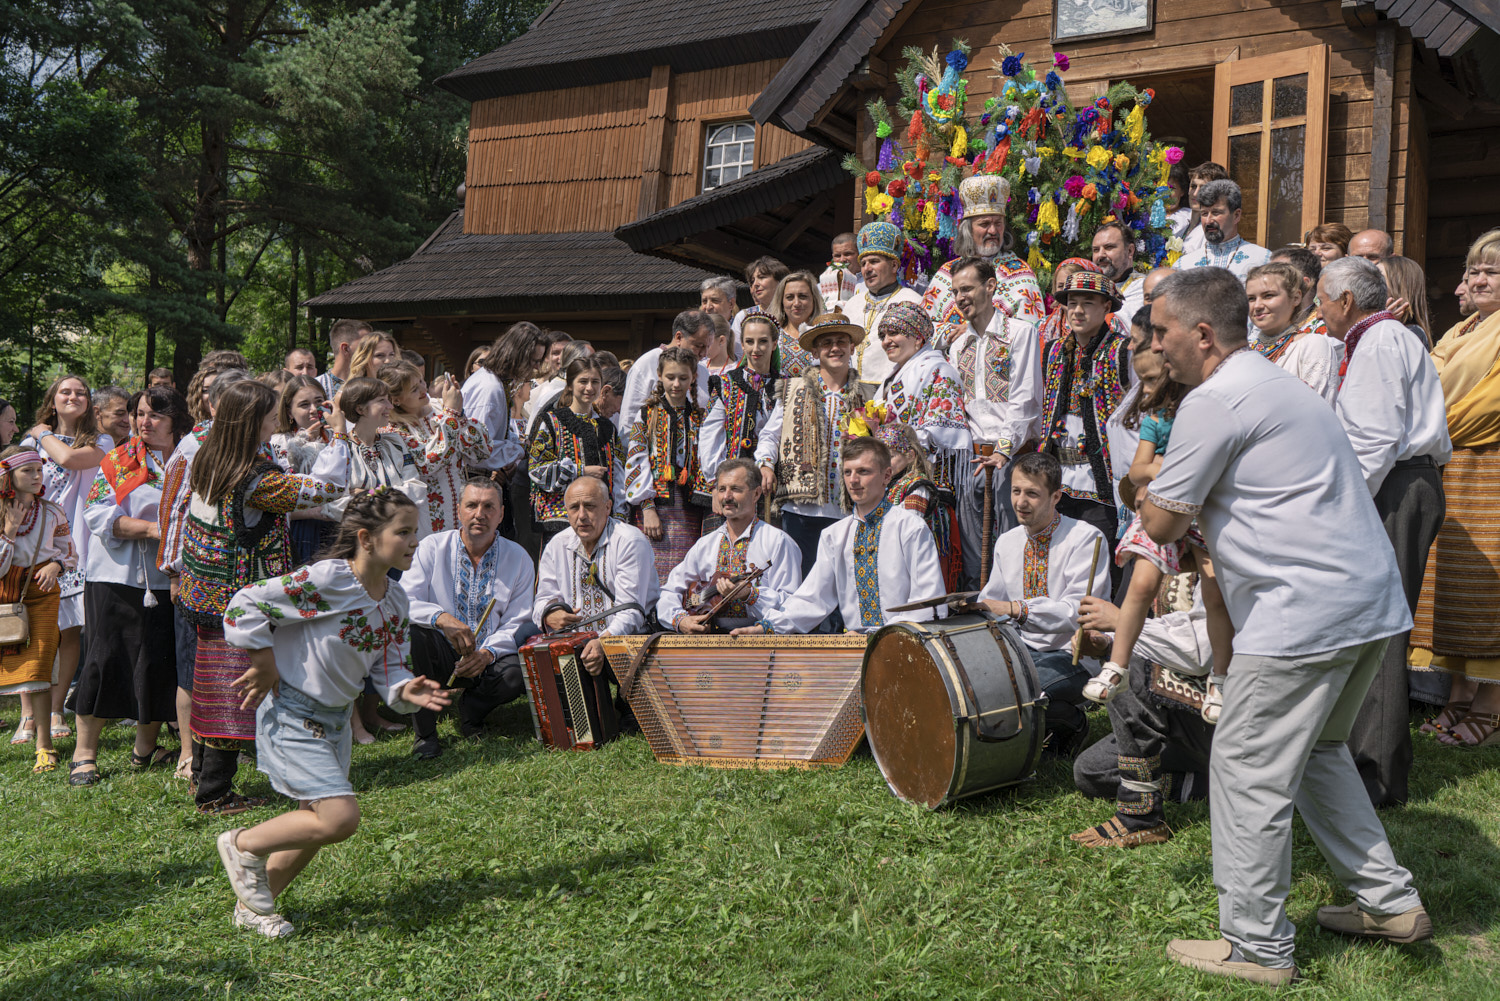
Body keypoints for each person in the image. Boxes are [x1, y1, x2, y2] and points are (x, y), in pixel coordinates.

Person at [1141, 266, 1429, 986]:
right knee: (1321, 751)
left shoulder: (1215, 401)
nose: (1153, 344)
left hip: (1300, 615)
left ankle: (1257, 946)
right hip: (1366, 605)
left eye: (1161, 331)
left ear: (1201, 334)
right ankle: (1390, 902)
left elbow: (1162, 519)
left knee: (1244, 769)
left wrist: (1139, 480)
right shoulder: (1282, 384)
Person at [216, 490, 451, 939]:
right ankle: (241, 843)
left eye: (414, 532)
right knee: (338, 818)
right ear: (366, 538)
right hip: (292, 713)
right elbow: (246, 603)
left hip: (336, 722)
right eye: (403, 532)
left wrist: (407, 689)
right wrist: (263, 661)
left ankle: (252, 905)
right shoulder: (329, 580)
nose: (413, 542)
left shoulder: (396, 601)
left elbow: (389, 667)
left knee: (315, 823)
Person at [179, 381, 346, 814]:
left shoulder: (211, 460)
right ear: (250, 421)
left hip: (207, 593)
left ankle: (203, 776)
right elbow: (325, 488)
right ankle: (214, 793)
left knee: (212, 687)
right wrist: (341, 434)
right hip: (240, 603)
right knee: (238, 693)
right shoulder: (255, 479)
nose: (278, 422)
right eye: (272, 416)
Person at [1318, 258, 1449, 804]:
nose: (1318, 311)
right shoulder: (1381, 338)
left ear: (1346, 300)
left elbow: (1372, 438)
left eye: (1321, 300)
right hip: (1400, 484)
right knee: (1375, 624)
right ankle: (1367, 758)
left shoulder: (1377, 343)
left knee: (1382, 628)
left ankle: (1376, 774)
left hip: (1393, 487)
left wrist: (1341, 507)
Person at [1082, 328, 1231, 721]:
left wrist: (1174, 471)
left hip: (1199, 512)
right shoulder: (1156, 418)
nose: (1144, 390)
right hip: (1161, 506)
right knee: (1141, 585)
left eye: (1151, 380)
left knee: (1214, 591)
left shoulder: (1203, 408)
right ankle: (1117, 664)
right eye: (1142, 380)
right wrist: (1172, 468)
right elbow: (1137, 470)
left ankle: (1221, 676)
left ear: (1173, 370)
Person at [68, 386, 192, 785]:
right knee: (105, 661)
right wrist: (154, 529)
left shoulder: (190, 460)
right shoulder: (120, 459)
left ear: (176, 419)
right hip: (116, 576)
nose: (144, 422)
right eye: (139, 413)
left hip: (171, 578)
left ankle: (144, 749)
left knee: (158, 662)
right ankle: (84, 755)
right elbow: (98, 514)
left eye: (155, 414)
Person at [1411, 229, 1500, 745]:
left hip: (1489, 467)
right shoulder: (1465, 326)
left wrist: (1430, 430)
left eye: (1491, 270)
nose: (1478, 278)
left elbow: (1487, 406)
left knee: (1488, 586)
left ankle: (1491, 704)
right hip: (1454, 468)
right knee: (1453, 584)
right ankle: (1461, 696)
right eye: (1473, 270)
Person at [735, 438, 946, 635]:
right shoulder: (834, 535)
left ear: (887, 476)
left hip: (904, 644)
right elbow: (813, 598)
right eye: (847, 472)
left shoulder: (910, 527)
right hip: (854, 647)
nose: (853, 480)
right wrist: (767, 627)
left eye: (863, 471)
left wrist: (879, 636)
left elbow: (927, 603)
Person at [972, 452, 1109, 755]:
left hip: (1073, 655)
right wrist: (971, 609)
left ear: (1056, 496)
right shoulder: (1007, 541)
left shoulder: (1086, 538)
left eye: (1032, 494)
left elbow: (1077, 612)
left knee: (1016, 692)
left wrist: (1017, 609)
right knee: (978, 686)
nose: (1021, 502)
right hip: (1021, 649)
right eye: (1016, 491)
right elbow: (992, 600)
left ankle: (1072, 722)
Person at [1072, 576, 1215, 848]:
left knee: (1127, 667)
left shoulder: (1219, 560)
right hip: (1175, 712)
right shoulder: (1159, 556)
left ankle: (1140, 815)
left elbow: (1199, 652)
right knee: (1091, 772)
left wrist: (1122, 624)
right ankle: (1218, 786)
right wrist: (1105, 642)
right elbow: (1168, 627)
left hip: (1222, 718)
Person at [403, 479, 535, 757]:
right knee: (415, 636)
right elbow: (404, 601)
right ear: (459, 511)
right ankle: (425, 734)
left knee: (517, 673)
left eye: (489, 507)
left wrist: (487, 653)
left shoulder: (519, 558)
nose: (480, 514)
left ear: (501, 514)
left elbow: (518, 621)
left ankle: (471, 711)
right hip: (439, 651)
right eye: (472, 505)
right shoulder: (432, 547)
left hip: (487, 658)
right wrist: (441, 618)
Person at [20, 374, 114, 747]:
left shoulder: (101, 441)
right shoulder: (29, 442)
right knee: (29, 630)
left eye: (81, 392)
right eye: (65, 391)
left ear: (89, 402)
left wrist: (41, 433)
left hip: (75, 544)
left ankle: (57, 708)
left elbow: (70, 459)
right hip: (32, 543)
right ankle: (28, 714)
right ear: (53, 398)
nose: (73, 396)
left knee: (69, 631)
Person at [947, 256, 1043, 584]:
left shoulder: (1019, 333)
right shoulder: (958, 345)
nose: (960, 297)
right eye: (956, 291)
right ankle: (978, 614)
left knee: (1010, 539)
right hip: (971, 456)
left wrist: (1003, 450)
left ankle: (1013, 612)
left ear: (990, 287)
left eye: (967, 288)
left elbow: (1026, 397)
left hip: (1009, 455)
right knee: (974, 547)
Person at [760, 310, 874, 578]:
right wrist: (765, 464)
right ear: (815, 351)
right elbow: (770, 434)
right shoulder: (792, 388)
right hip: (800, 506)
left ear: (852, 347)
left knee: (843, 584)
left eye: (841, 341)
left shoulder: (868, 395)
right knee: (798, 580)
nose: (835, 348)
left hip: (849, 505)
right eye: (826, 342)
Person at [871, 302, 970, 587]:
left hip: (925, 484)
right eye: (883, 334)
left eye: (896, 332)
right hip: (892, 479)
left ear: (919, 337)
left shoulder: (939, 369)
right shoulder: (893, 376)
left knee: (922, 563)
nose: (887, 340)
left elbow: (941, 429)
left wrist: (896, 444)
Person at [1040, 271, 1133, 545]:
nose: (1077, 311)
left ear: (1106, 306)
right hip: (1058, 478)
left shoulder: (1121, 352)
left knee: (1099, 559)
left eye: (1088, 303)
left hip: (1100, 479)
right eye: (1072, 302)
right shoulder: (1053, 351)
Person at [534, 476, 660, 677]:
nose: (581, 515)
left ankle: (624, 702)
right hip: (577, 641)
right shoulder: (556, 545)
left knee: (622, 675)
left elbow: (632, 612)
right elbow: (542, 601)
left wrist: (602, 643)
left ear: (608, 507)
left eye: (590, 506)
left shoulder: (629, 541)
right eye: (574, 507)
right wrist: (549, 614)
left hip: (628, 640)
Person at [658, 459, 803, 632]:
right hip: (709, 642)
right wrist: (680, 621)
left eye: (735, 489)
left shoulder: (778, 542)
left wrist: (750, 595)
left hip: (761, 644)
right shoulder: (705, 544)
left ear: (756, 494)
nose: (726, 497)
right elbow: (668, 592)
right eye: (721, 489)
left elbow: (793, 607)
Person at [0, 447, 76, 773]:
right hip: (5, 593)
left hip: (42, 592)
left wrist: (57, 565)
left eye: (38, 470)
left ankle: (44, 746)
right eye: (27, 471)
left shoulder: (53, 513)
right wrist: (10, 531)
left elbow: (70, 553)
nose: (35, 476)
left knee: (41, 667)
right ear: (9, 477)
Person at [921, 174, 1046, 342]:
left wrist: (976, 329)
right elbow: (922, 328)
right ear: (968, 229)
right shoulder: (946, 274)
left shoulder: (1021, 272)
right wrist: (955, 333)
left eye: (998, 223)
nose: (993, 231)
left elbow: (1032, 330)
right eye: (984, 224)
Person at [378, 361, 491, 537]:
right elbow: (427, 463)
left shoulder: (441, 407)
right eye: (414, 389)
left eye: (422, 382)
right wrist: (452, 416)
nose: (423, 390)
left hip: (461, 513)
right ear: (396, 399)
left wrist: (459, 415)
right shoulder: (391, 430)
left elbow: (481, 450)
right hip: (426, 521)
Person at [625, 347, 708, 583]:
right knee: (649, 573)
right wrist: (647, 506)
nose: (676, 384)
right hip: (654, 507)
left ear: (693, 377)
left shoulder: (700, 417)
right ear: (660, 375)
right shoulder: (647, 414)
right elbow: (636, 457)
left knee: (686, 574)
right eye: (670, 377)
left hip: (690, 508)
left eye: (683, 378)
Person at [312, 378, 428, 545]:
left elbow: (417, 489)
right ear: (360, 408)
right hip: (358, 545)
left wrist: (370, 494)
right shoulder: (340, 451)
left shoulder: (394, 442)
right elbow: (334, 505)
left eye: (388, 399)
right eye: (382, 400)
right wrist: (393, 495)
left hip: (396, 543)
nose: (390, 406)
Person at [528, 356, 626, 545]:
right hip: (561, 520)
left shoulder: (607, 428)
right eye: (583, 381)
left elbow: (618, 474)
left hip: (601, 523)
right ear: (570, 384)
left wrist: (619, 514)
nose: (589, 388)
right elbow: (536, 469)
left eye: (595, 382)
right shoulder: (551, 421)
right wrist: (580, 471)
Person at [1245, 262, 1343, 403]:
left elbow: (1315, 406)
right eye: (1251, 299)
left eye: (1268, 296)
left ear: (1296, 298)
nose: (1258, 306)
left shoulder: (1311, 346)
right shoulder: (1245, 353)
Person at [700, 314, 779, 486]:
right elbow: (709, 435)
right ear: (742, 345)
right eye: (750, 342)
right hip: (731, 485)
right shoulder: (725, 384)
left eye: (763, 341)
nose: (756, 348)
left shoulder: (786, 386)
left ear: (774, 344)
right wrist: (716, 482)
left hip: (772, 485)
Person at [845, 221, 925, 387]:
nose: (867, 269)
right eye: (863, 263)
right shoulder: (852, 304)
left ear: (894, 265)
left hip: (893, 389)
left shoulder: (913, 302)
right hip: (852, 391)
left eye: (874, 261)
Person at [268, 376, 335, 564]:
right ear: (289, 412)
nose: (314, 410)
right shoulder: (278, 443)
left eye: (319, 402)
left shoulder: (338, 438)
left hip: (338, 527)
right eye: (304, 404)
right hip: (299, 530)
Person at [617, 310, 713, 432]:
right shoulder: (646, 364)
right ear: (679, 337)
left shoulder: (703, 371)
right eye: (699, 346)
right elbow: (629, 421)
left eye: (708, 347)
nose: (704, 354)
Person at [460, 328, 529, 496]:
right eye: (533, 360)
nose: (535, 367)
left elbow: (497, 436)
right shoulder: (488, 387)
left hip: (486, 475)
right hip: (475, 480)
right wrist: (518, 450)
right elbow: (478, 449)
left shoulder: (497, 383)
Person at [1174, 179, 1270, 281]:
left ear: (1236, 215)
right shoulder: (1183, 266)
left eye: (1216, 213)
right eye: (1204, 214)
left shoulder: (1263, 261)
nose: (1208, 221)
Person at [771, 269, 825, 380]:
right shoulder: (772, 336)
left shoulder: (825, 335)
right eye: (790, 297)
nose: (796, 303)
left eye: (803, 296)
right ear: (782, 302)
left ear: (814, 300)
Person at [1036, 257, 1100, 351]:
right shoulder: (1042, 326)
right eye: (1061, 286)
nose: (1067, 291)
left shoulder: (1109, 323)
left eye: (1073, 284)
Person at [1092, 221, 1145, 324]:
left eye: (1109, 247)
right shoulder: (1089, 288)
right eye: (1096, 250)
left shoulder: (1145, 288)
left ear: (1130, 251)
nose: (1100, 255)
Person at [1379, 255, 1434, 349]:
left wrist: (1382, 324)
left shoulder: (1412, 333)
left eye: (1379, 278)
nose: (1370, 282)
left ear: (1399, 286)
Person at [1178, 162, 1228, 261]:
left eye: (1203, 188)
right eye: (1193, 186)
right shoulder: (1182, 226)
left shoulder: (1213, 231)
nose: (1196, 193)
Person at [733, 256, 788, 340]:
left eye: (761, 277)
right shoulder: (743, 317)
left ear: (780, 281)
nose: (755, 284)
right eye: (752, 281)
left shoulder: (794, 313)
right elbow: (736, 352)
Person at [316, 319, 371, 401]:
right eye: (366, 346)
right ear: (345, 349)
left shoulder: (373, 386)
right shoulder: (316, 387)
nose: (372, 351)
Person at [699, 276, 740, 360]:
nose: (708, 307)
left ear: (731, 304)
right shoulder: (696, 333)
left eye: (715, 300)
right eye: (704, 301)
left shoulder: (742, 332)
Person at [818, 231, 861, 306]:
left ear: (859, 254)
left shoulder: (869, 284)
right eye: (837, 255)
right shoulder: (820, 287)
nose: (842, 260)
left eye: (848, 254)